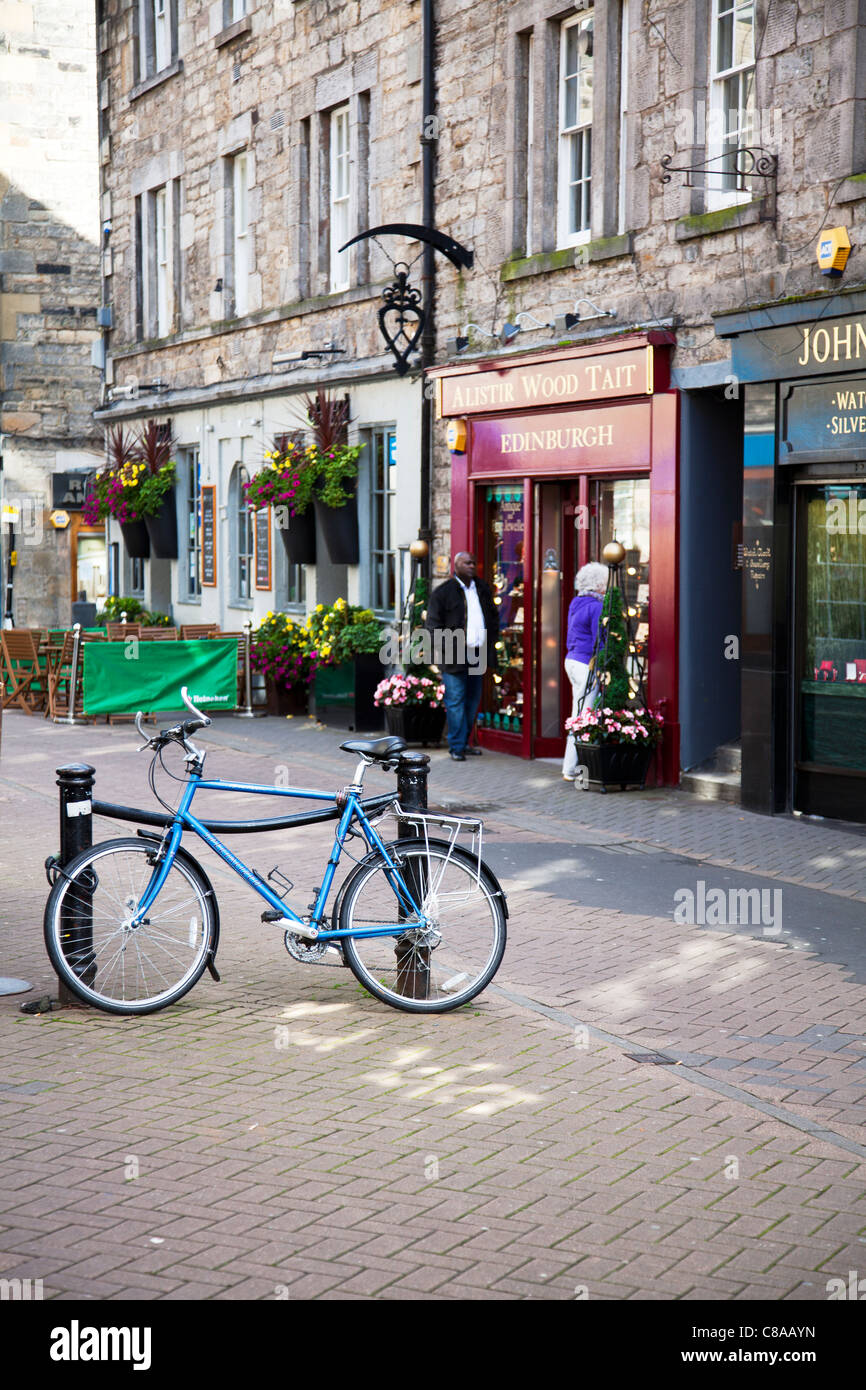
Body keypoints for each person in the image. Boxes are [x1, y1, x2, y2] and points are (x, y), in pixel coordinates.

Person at [425, 552, 500, 761]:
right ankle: (456, 746)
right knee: (455, 700)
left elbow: (493, 618)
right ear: (456, 566)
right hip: (454, 654)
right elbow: (432, 625)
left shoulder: (483, 589)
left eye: (473, 563)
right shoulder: (443, 592)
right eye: (467, 563)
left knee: (472, 700)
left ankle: (464, 743)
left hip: (478, 652)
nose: (472, 566)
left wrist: (491, 643)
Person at [562, 561, 608, 781]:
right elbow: (599, 641)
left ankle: (571, 766)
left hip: (572, 660)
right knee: (583, 716)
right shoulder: (597, 606)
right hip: (586, 664)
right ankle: (572, 768)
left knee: (578, 712)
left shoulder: (576, 602)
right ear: (599, 585)